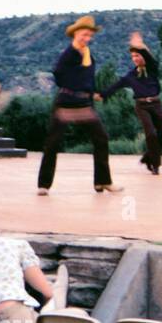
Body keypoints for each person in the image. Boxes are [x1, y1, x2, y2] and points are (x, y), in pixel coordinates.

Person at [37, 15, 121, 195]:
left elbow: (88, 78)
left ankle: (102, 182)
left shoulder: (88, 54)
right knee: (52, 143)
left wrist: (92, 93)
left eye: (89, 35)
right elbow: (58, 75)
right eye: (84, 35)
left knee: (101, 138)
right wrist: (74, 87)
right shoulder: (69, 54)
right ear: (75, 34)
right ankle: (43, 185)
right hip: (66, 104)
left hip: (84, 104)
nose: (87, 38)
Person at [100, 32, 162, 175]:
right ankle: (155, 165)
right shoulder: (130, 76)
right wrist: (102, 94)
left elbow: (149, 56)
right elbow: (116, 86)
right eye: (133, 57)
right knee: (151, 134)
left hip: (156, 104)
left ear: (143, 56)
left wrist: (141, 46)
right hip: (142, 106)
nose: (135, 59)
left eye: (137, 56)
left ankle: (148, 158)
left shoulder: (152, 68)